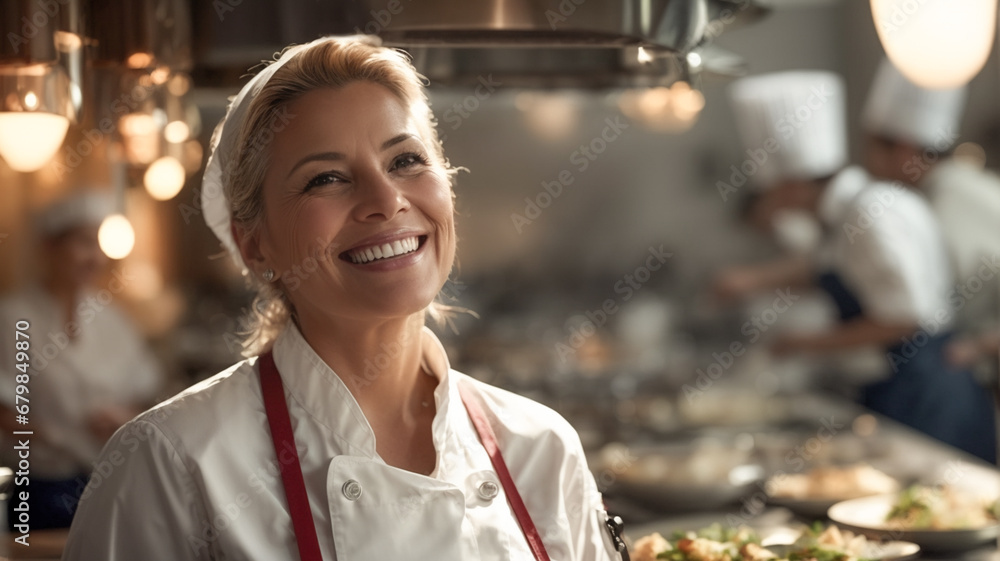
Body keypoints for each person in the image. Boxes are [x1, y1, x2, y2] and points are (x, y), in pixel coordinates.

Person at [63, 36, 626, 560]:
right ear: (252, 243)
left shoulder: (542, 448)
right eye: (325, 178)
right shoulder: (170, 464)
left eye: (405, 160)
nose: (385, 200)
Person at [714, 70, 996, 463]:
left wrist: (803, 344)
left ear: (794, 185)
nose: (768, 203)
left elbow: (905, 318)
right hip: (896, 386)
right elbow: (826, 271)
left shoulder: (871, 214)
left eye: (771, 189)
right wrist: (751, 282)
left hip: (926, 394)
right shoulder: (848, 213)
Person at [0, 192, 163, 530]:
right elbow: (6, 413)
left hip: (109, 479)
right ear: (50, 247)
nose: (94, 257)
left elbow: (146, 392)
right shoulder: (14, 318)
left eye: (99, 245)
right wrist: (61, 438)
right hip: (38, 489)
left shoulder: (112, 319)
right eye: (83, 243)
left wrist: (125, 418)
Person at [862, 58, 1000, 371]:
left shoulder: (953, 203)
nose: (869, 164)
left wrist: (980, 345)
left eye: (871, 148)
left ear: (904, 150)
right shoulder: (945, 193)